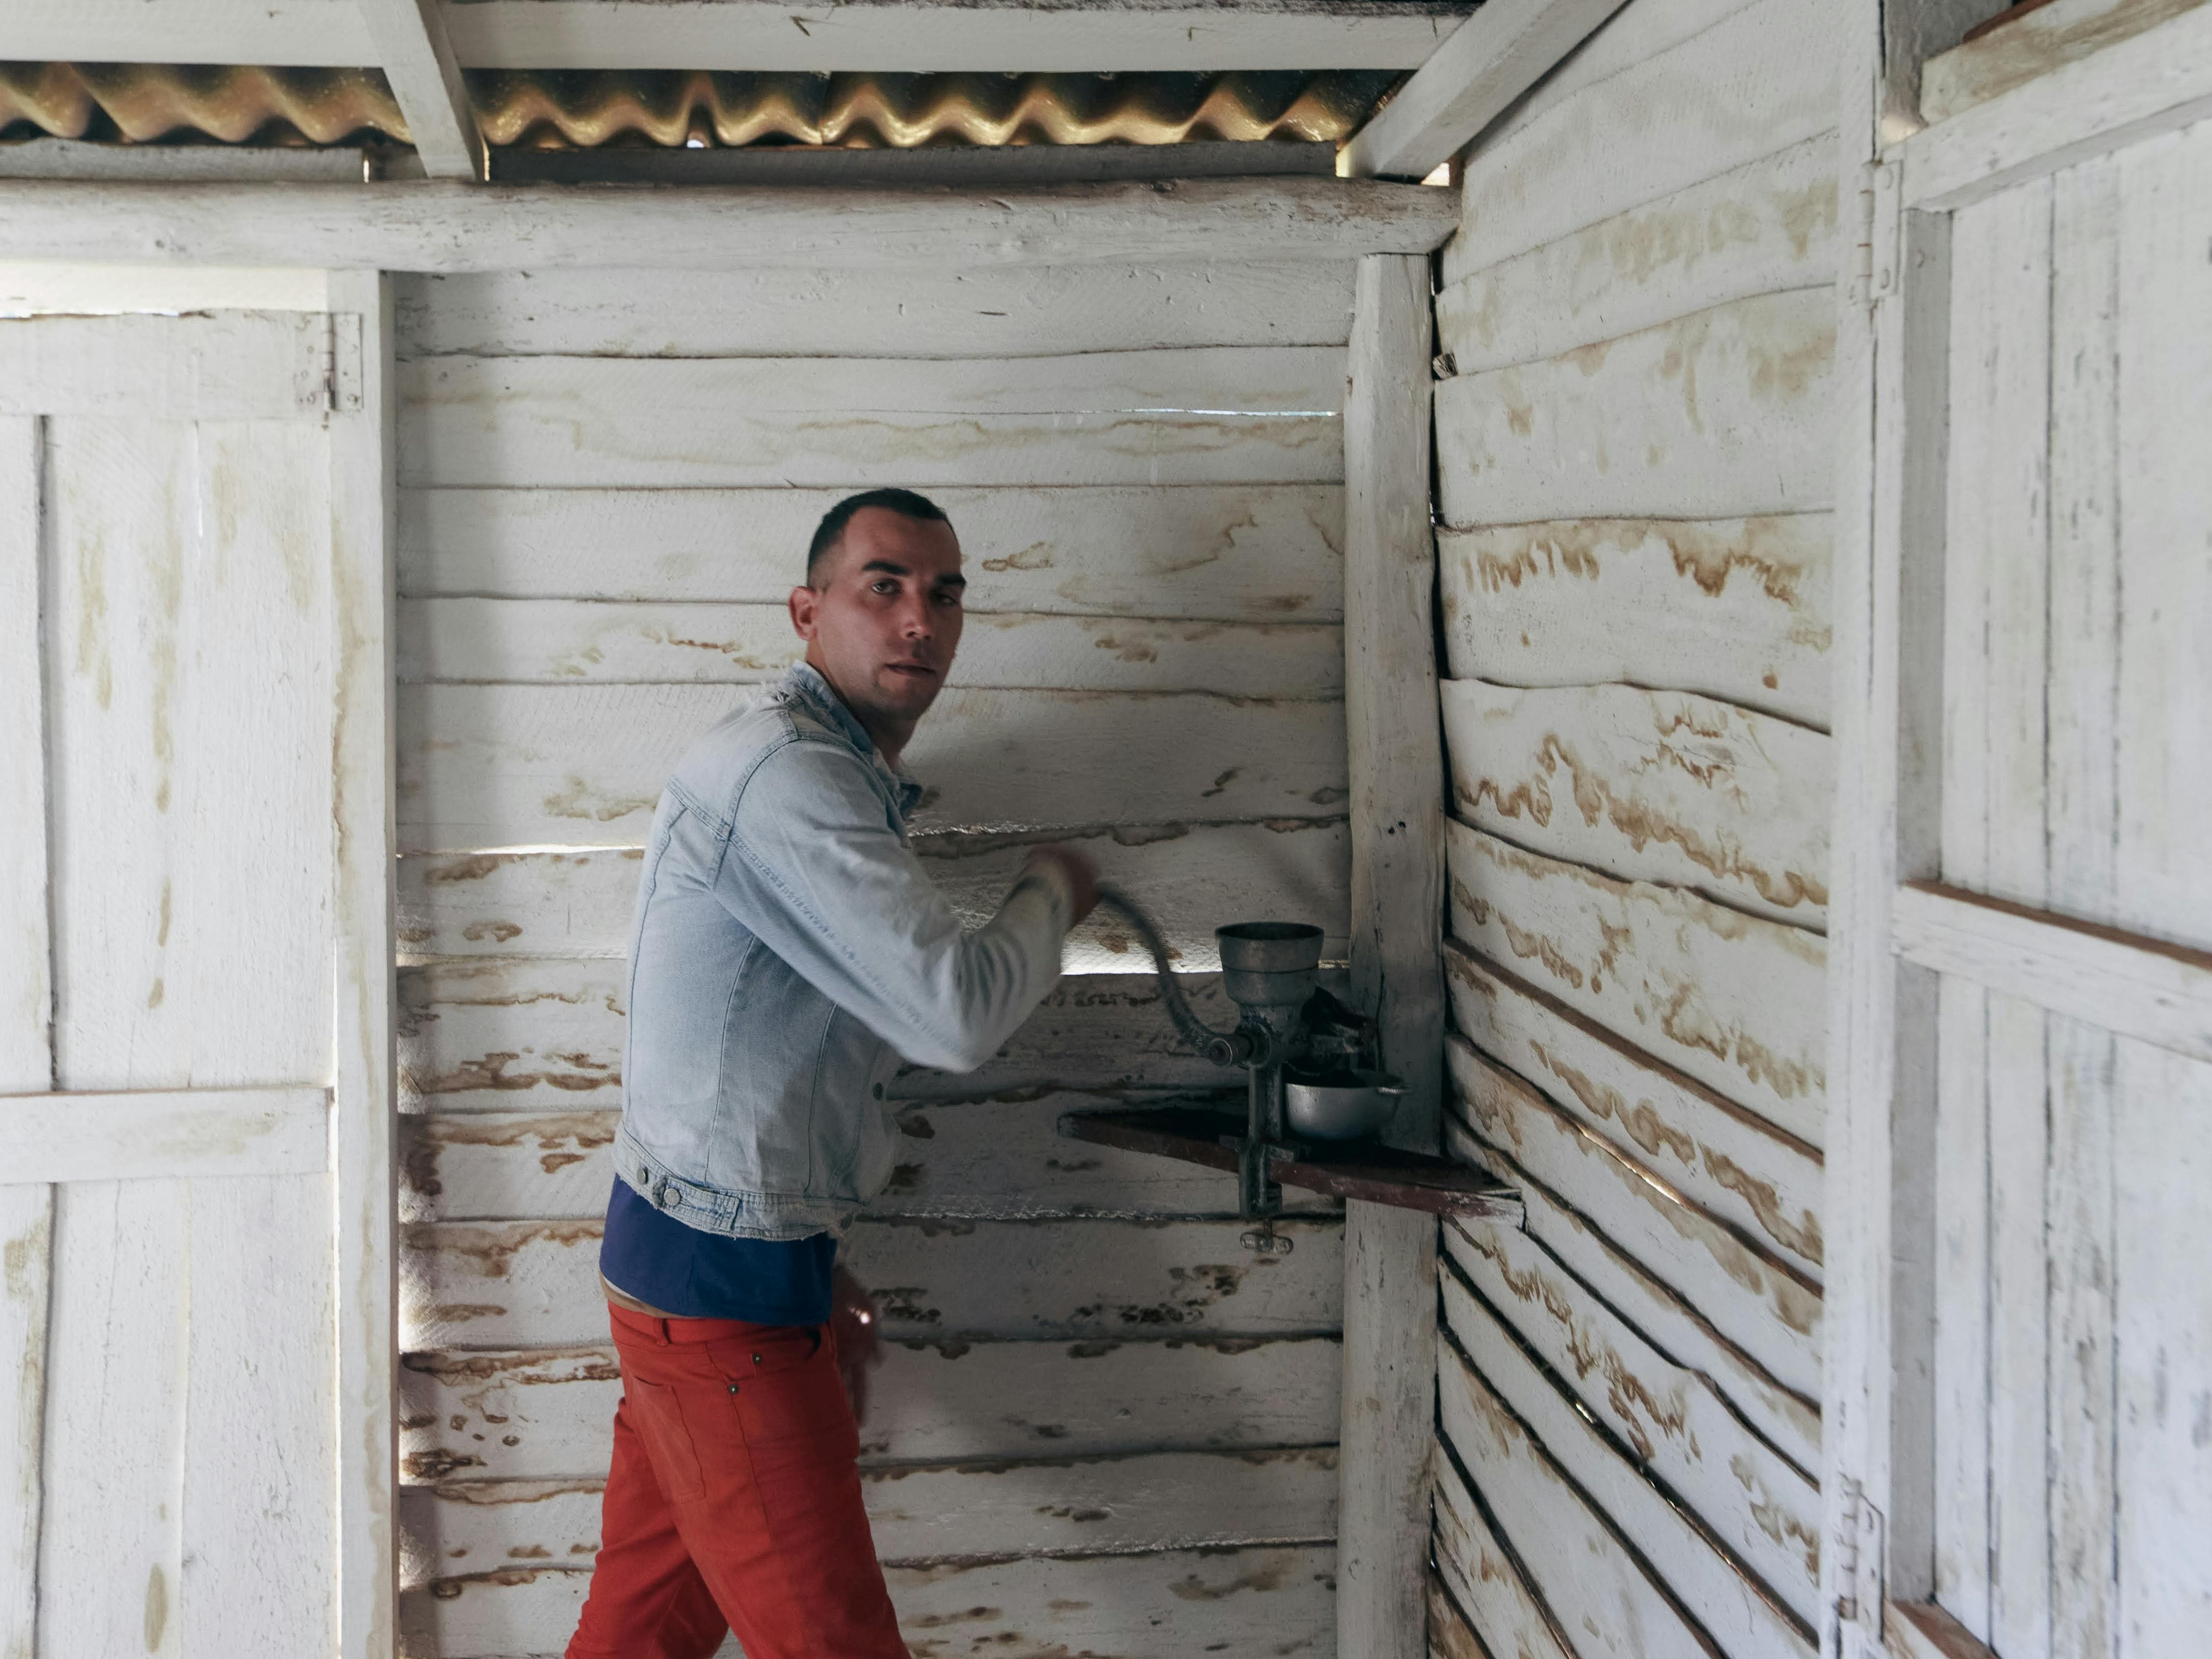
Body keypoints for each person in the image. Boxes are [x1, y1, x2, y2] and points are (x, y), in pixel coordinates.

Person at [566, 488, 1098, 1659]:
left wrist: (815, 1258)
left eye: (944, 594)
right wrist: (1052, 892)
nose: (921, 619)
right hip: (721, 1300)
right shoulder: (793, 779)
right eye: (885, 586)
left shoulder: (817, 769)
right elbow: (951, 1018)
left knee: (641, 1631)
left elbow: (770, 1050)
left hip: (700, 1271)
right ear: (808, 613)